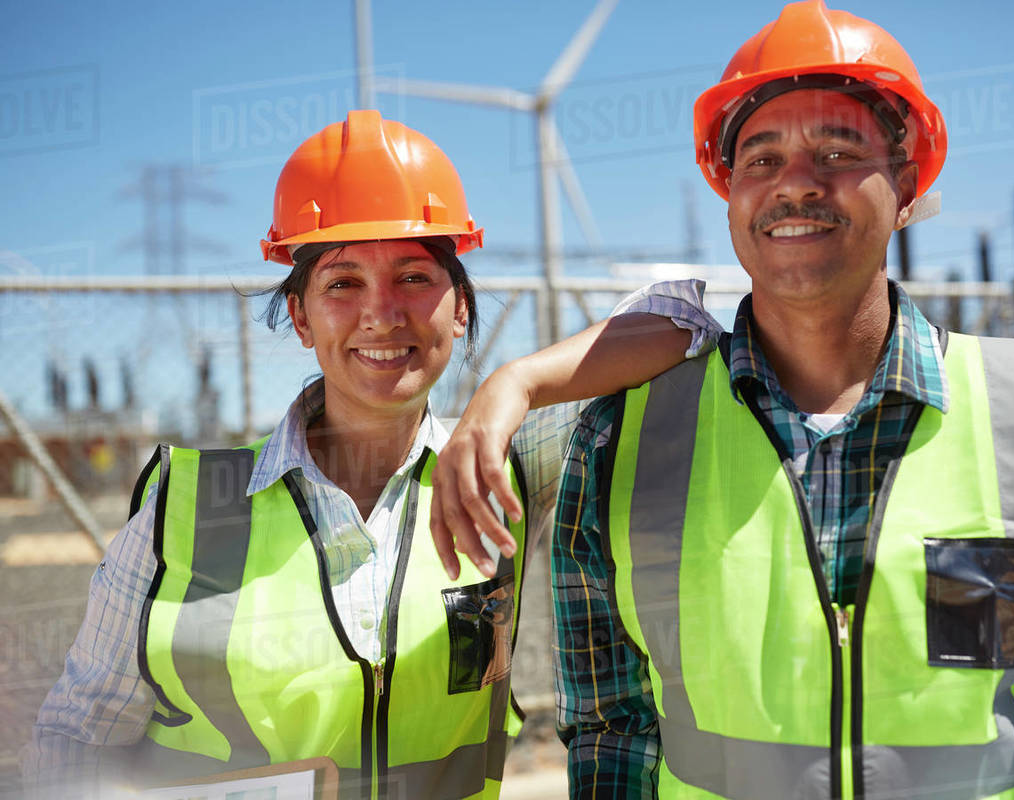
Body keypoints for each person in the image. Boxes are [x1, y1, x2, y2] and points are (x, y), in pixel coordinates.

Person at [434, 3, 1014, 798]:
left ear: (907, 185)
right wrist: (511, 381)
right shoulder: (622, 437)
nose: (795, 182)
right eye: (761, 160)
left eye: (836, 149)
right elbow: (611, 734)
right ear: (729, 193)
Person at [22, 110, 717, 800]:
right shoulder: (181, 507)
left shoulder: (501, 470)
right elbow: (76, 739)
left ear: (460, 308)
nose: (382, 314)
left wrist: (517, 383)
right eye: (343, 283)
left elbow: (684, 320)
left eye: (415, 277)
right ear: (300, 317)